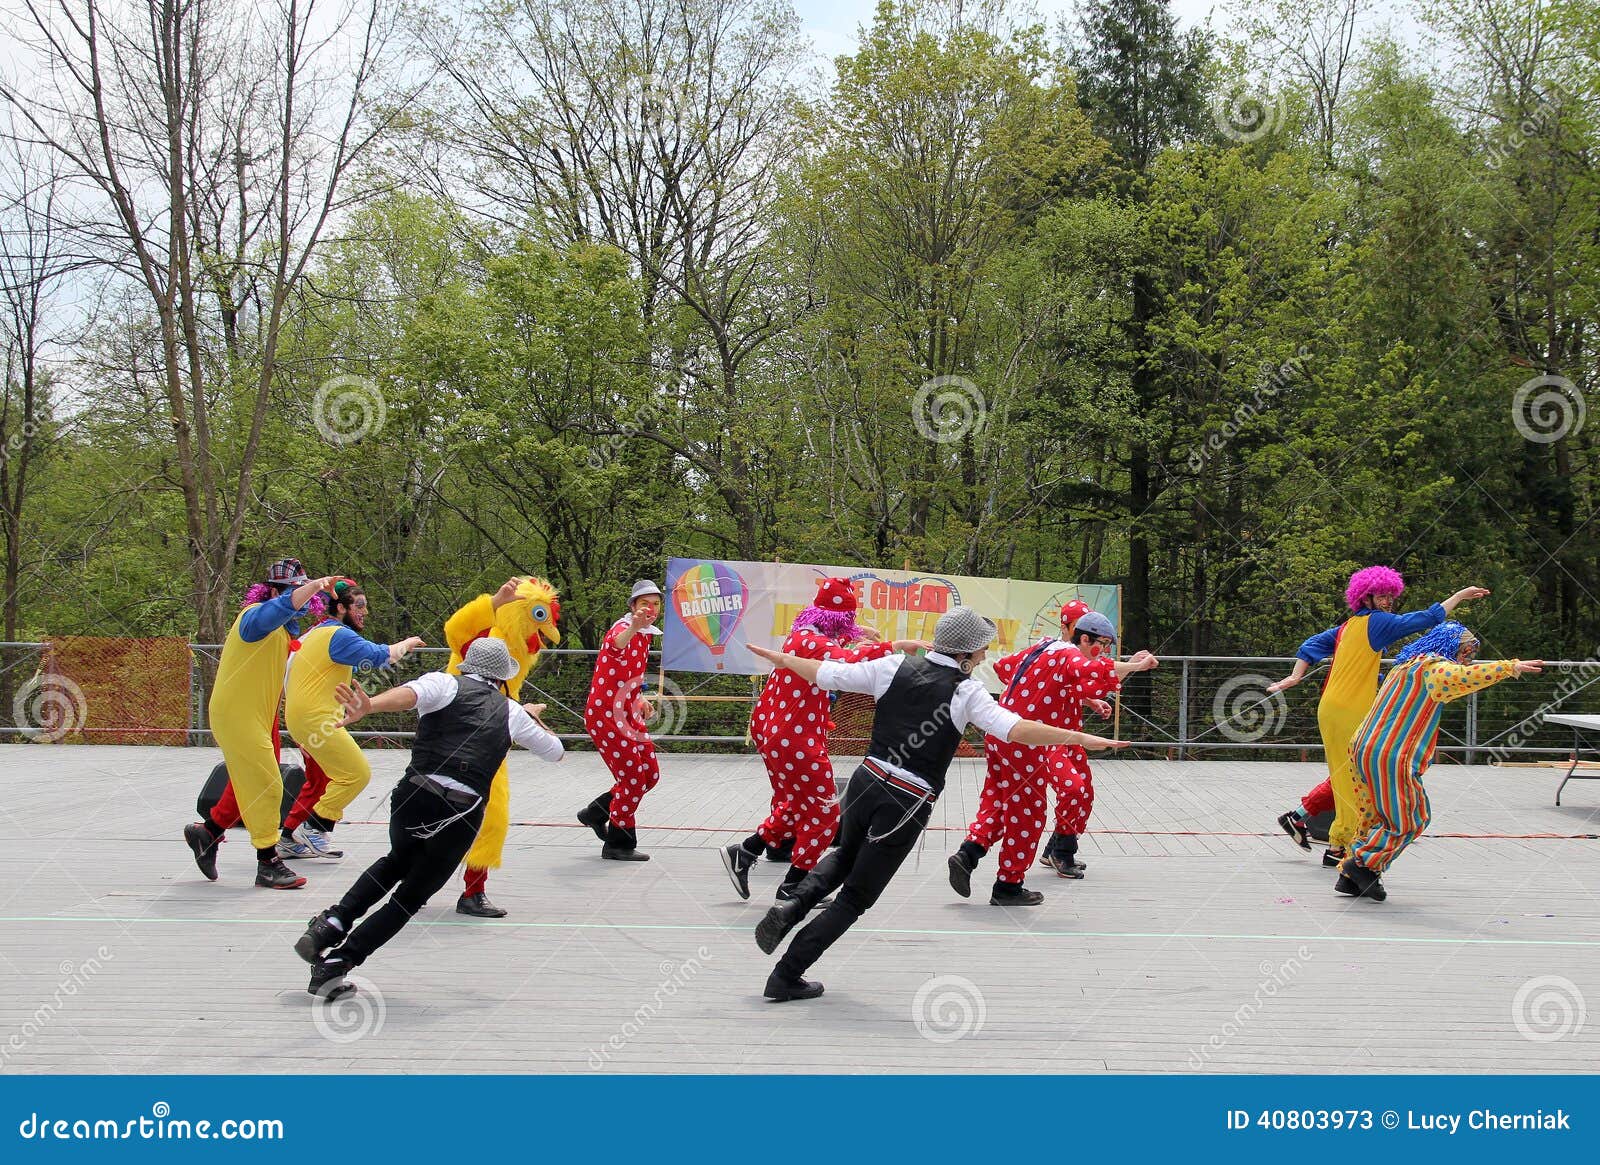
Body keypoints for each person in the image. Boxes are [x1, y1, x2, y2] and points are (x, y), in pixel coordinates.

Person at [748, 607, 1128, 1002]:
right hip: (905, 803)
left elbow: (827, 673)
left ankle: (792, 906)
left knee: (845, 854)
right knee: (855, 898)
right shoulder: (966, 692)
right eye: (980, 651)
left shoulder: (894, 665)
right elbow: (1017, 729)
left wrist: (781, 659)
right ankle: (786, 974)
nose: (983, 658)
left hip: (866, 780)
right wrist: (1080, 739)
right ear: (964, 653)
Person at [295, 637, 565, 999]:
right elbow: (556, 753)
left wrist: (369, 705)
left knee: (395, 861)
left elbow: (409, 695)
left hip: (414, 795)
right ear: (503, 678)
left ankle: (331, 923)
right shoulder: (512, 712)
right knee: (409, 898)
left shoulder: (444, 682)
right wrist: (528, 717)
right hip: (460, 813)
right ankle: (337, 963)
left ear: (467, 665)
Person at [721, 576, 927, 902]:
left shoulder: (805, 635)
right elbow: (846, 660)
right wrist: (894, 646)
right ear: (834, 620)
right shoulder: (813, 644)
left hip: (779, 732)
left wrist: (859, 634)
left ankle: (745, 852)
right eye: (848, 621)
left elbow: (836, 649)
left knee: (797, 805)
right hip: (794, 737)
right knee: (825, 815)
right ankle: (795, 885)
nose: (850, 627)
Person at [1266, 569, 1489, 867]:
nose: (1387, 601)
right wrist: (1459, 597)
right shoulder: (1377, 622)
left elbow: (1311, 645)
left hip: (1332, 708)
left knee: (1348, 776)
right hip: (1350, 709)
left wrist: (1295, 676)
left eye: (1390, 596)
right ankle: (1342, 845)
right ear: (1365, 596)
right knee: (1356, 779)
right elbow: (1424, 618)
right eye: (1381, 595)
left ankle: (1330, 838)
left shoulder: (1349, 626)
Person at [950, 603, 1155, 902]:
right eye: (1102, 645)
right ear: (1081, 636)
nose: (1104, 652)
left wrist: (1041, 693)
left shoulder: (1044, 647)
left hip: (1003, 730)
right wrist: (1136, 666)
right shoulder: (1067, 653)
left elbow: (1006, 668)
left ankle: (969, 854)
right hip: (1028, 739)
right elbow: (1094, 670)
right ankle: (1009, 885)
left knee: (999, 799)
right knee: (1028, 811)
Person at [1338, 622, 1540, 901]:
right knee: (1411, 817)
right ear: (1451, 647)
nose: (1467, 658)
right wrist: (1509, 667)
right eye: (1466, 651)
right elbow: (1465, 676)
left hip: (1363, 746)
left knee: (1374, 816)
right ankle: (1362, 864)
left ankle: (1351, 879)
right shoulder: (1433, 669)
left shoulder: (1404, 666)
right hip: (1390, 753)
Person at [182, 559, 341, 889]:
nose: (298, 599)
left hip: (258, 714)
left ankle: (207, 833)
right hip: (238, 714)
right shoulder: (254, 618)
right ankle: (268, 862)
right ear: (271, 591)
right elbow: (279, 608)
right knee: (268, 784)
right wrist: (310, 586)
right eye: (291, 591)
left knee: (248, 782)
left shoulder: (283, 630)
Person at [440, 576, 563, 916]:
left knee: (491, 814)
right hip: (453, 741)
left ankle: (472, 889)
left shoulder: (516, 652)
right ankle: (416, 881)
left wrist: (522, 712)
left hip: (488, 741)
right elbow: (455, 630)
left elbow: (503, 698)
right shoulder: (486, 641)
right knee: (438, 810)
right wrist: (494, 602)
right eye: (540, 617)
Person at [277, 579, 425, 860]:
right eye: (360, 606)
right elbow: (379, 656)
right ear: (341, 608)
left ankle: (289, 838)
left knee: (321, 780)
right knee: (355, 774)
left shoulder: (317, 633)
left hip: (304, 718)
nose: (365, 612)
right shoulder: (338, 635)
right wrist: (408, 643)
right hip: (315, 719)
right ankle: (315, 827)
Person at [1034, 610, 1158, 879]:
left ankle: (1054, 848)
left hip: (1070, 737)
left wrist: (1090, 701)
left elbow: (1090, 685)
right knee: (1073, 789)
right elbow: (1090, 679)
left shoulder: (1073, 657)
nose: (1100, 648)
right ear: (1071, 629)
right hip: (1046, 738)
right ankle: (1061, 853)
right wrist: (1134, 666)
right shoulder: (1056, 653)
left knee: (1084, 793)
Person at [577, 579, 665, 861]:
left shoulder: (646, 634)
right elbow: (615, 646)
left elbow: (630, 670)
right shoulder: (623, 628)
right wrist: (633, 627)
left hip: (627, 711)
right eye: (644, 604)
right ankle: (618, 843)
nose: (650, 609)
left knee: (649, 775)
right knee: (632, 780)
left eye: (655, 604)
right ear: (632, 607)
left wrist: (640, 696)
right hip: (606, 714)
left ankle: (596, 812)